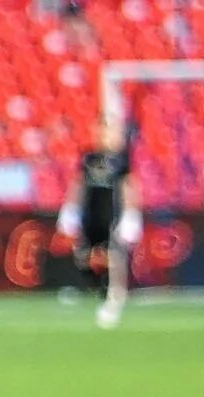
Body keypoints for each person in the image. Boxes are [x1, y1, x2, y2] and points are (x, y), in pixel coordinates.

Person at [56, 116, 140, 329]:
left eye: (109, 132)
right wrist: (70, 209)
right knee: (86, 253)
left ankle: (116, 293)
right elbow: (79, 184)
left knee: (114, 254)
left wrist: (131, 213)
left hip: (111, 213)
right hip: (90, 213)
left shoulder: (120, 159)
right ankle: (95, 287)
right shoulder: (89, 158)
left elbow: (129, 186)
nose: (105, 136)